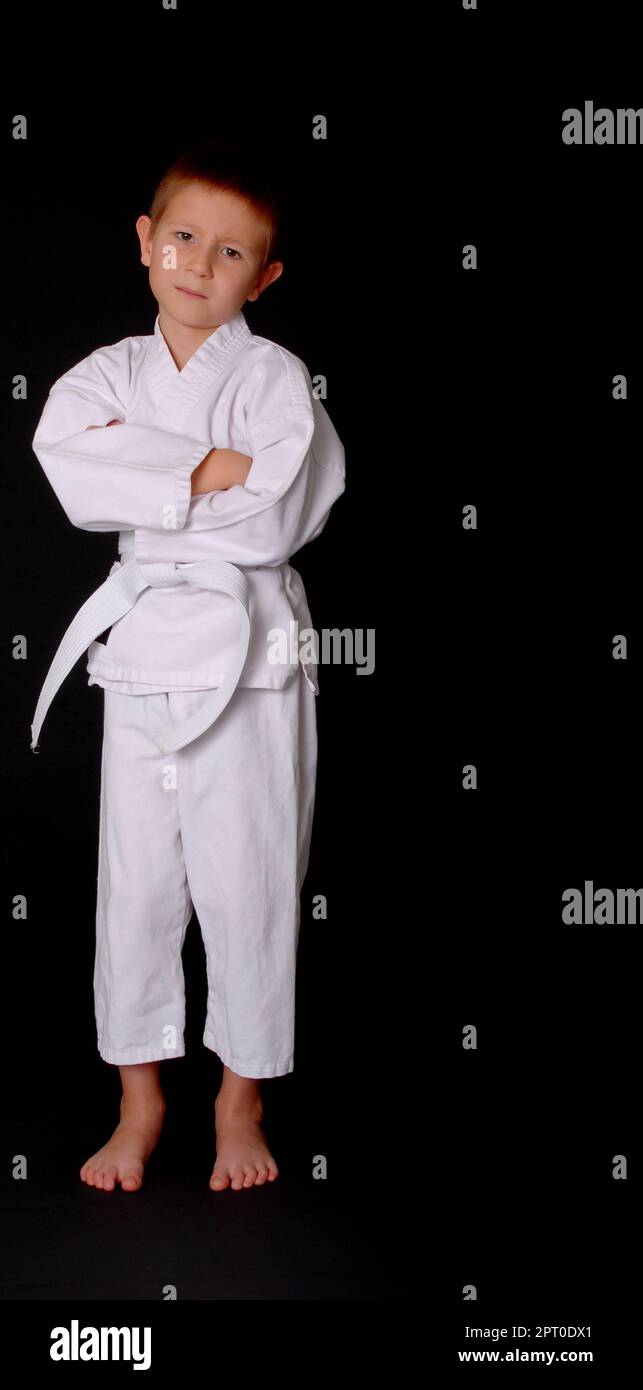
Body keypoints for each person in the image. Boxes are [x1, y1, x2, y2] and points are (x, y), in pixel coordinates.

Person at [30, 138, 346, 1194]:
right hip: (144, 654)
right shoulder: (103, 375)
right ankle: (139, 1099)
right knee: (136, 883)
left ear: (264, 277)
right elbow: (70, 466)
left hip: (248, 657)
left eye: (230, 252)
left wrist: (151, 472)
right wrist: (208, 469)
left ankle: (239, 1096)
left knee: (249, 879)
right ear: (143, 242)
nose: (199, 264)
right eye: (182, 238)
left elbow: (275, 516)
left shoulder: (274, 377)